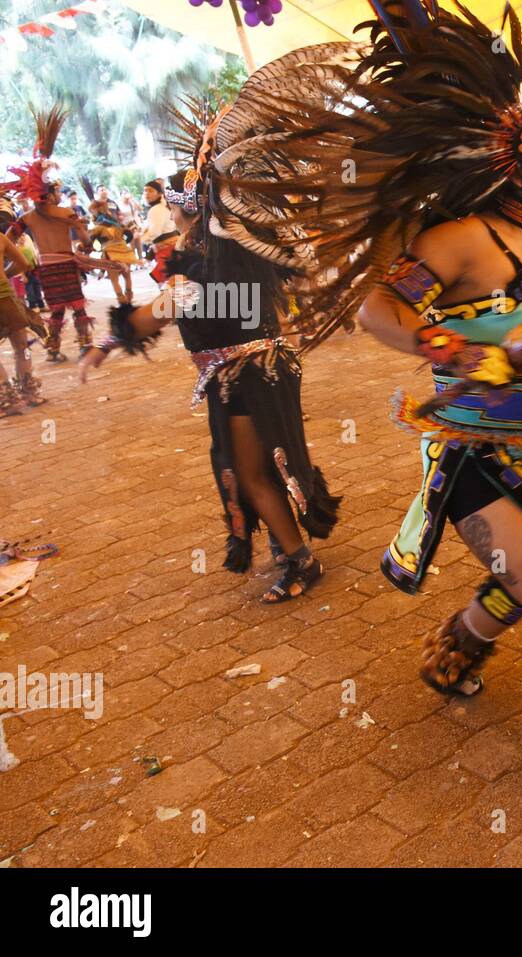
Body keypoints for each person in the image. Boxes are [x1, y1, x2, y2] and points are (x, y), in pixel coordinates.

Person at [208, 2, 522, 794]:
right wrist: (470, 350)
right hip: (479, 460)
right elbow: (379, 310)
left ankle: (458, 647)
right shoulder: (462, 238)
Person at [80, 96, 341, 602]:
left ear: (186, 211)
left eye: (172, 206)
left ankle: (300, 560)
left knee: (250, 470)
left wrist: (104, 344)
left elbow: (150, 315)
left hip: (247, 376)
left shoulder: (205, 270)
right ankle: (289, 548)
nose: (168, 215)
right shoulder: (227, 258)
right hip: (257, 371)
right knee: (262, 464)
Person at [2, 109, 97, 362]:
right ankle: (84, 345)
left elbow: (9, 238)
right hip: (65, 264)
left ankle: (53, 349)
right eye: (56, 190)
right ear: (50, 191)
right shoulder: (64, 213)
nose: (59, 195)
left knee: (56, 310)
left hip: (46, 267)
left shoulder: (27, 218)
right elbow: (84, 237)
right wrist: (86, 246)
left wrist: (11, 264)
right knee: (77, 306)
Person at [0, 198, 46, 415]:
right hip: (7, 299)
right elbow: (24, 264)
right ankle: (28, 393)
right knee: (21, 347)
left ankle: (7, 400)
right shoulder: (1, 239)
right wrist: (5, 275)